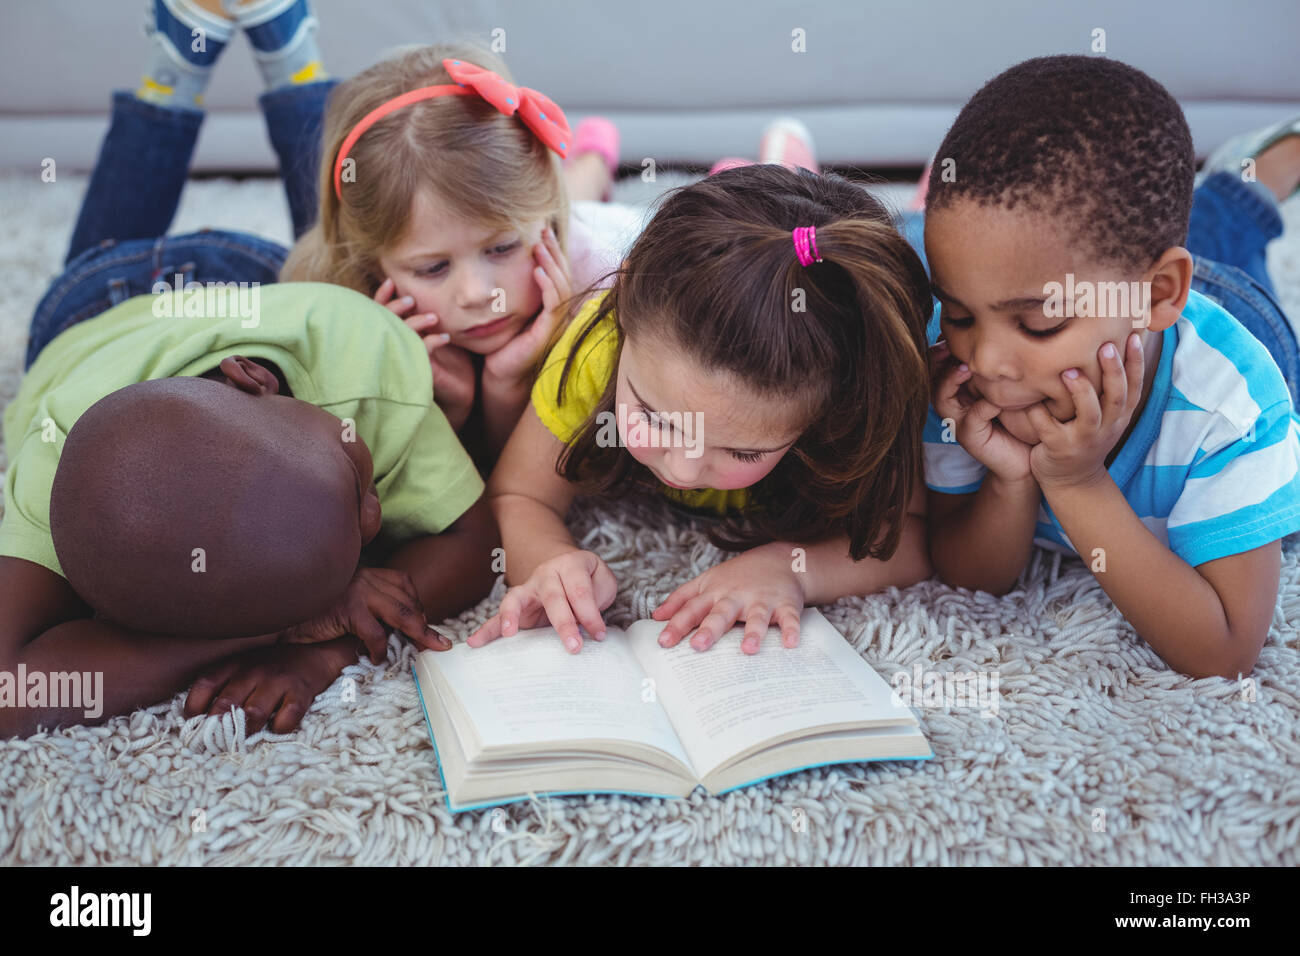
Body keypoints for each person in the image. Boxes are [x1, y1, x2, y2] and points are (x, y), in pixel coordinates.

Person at [920, 55, 1300, 678]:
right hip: (1125, 286)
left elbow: (1225, 651)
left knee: (1223, 244)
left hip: (1239, 311)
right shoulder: (956, 368)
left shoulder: (1233, 408)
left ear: (1155, 297)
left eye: (1039, 324)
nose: (986, 359)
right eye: (958, 312)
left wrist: (1078, 483)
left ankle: (1245, 187)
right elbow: (965, 576)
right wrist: (1011, 482)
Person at [468, 160, 935, 655]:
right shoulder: (598, 349)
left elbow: (914, 536)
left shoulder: (858, 389)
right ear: (622, 312)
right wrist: (549, 560)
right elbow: (518, 494)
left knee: (919, 226)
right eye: (653, 418)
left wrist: (793, 568)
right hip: (612, 233)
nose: (685, 468)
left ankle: (793, 153)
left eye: (744, 453)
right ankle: (607, 158)